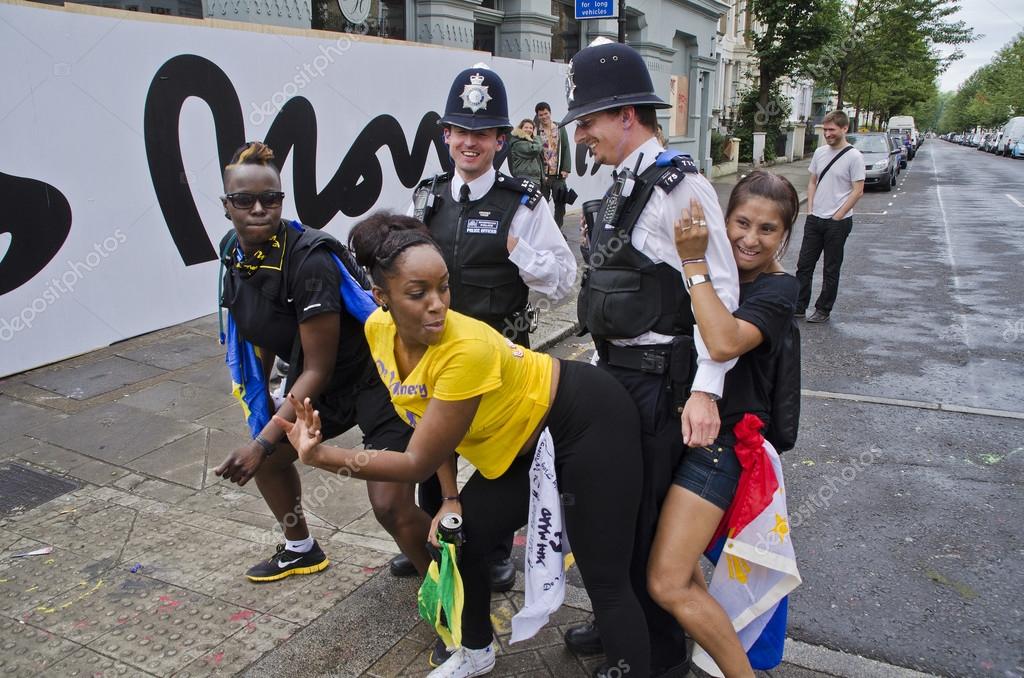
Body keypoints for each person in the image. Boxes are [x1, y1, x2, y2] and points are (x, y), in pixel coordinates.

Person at [275, 214, 651, 678]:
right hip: (519, 444)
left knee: (604, 574)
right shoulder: (377, 331)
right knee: (462, 538)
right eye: (418, 293)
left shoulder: (463, 349)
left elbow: (416, 462)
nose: (437, 305)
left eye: (443, 288)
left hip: (585, 420)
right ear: (382, 298)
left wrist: (319, 456)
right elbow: (426, 421)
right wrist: (451, 499)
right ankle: (475, 650)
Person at [559, 41, 740, 678]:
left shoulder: (678, 186)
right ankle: (620, 623)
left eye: (589, 122)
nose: (583, 135)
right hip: (617, 375)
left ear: (626, 116)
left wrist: (707, 389)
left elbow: (719, 289)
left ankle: (658, 658)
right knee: (612, 507)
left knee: (647, 523)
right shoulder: (620, 185)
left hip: (662, 384)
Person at [212, 142, 442, 583]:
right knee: (273, 460)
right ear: (227, 207)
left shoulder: (308, 259)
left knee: (389, 507)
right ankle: (301, 548)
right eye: (244, 200)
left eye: (271, 198)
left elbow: (316, 366)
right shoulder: (232, 255)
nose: (259, 208)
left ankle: (451, 596)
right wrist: (262, 417)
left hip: (377, 381)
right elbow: (255, 333)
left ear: (281, 200)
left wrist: (259, 443)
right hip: (323, 388)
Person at [399, 65, 577, 609]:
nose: (469, 142)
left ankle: (497, 548)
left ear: (501, 140)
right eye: (460, 130)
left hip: (501, 361)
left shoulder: (521, 202)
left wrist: (518, 251)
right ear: (446, 136)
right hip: (439, 359)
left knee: (500, 458)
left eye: (482, 133)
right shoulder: (426, 198)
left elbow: (565, 280)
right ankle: (437, 540)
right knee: (432, 453)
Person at [649, 171, 801, 678]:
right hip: (677, 432)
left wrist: (693, 262)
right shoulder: (716, 268)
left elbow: (721, 341)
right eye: (741, 222)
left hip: (721, 451)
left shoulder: (779, 290)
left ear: (786, 235)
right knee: (677, 566)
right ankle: (680, 656)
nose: (749, 239)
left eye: (767, 229)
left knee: (668, 581)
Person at [794, 110, 865, 323]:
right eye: (825, 130)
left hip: (838, 222)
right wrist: (811, 208)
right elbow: (813, 180)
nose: (827, 134)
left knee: (830, 268)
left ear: (844, 129)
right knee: (804, 265)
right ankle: (798, 306)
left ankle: (823, 309)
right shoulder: (820, 153)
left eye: (831, 130)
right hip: (815, 218)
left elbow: (858, 190)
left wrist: (839, 214)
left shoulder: (854, 157)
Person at [534, 101, 572, 226]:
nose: (544, 117)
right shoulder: (536, 131)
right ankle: (545, 231)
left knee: (560, 205)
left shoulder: (560, 127)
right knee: (542, 205)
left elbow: (566, 147)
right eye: (541, 115)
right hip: (543, 175)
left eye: (546, 113)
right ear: (537, 116)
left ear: (550, 113)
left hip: (558, 175)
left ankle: (558, 230)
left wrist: (566, 168)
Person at [506, 119, 545, 183]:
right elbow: (535, 150)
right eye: (526, 127)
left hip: (534, 179)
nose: (528, 130)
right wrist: (536, 137)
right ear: (521, 128)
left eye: (531, 128)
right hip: (524, 178)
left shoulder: (530, 142)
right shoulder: (518, 142)